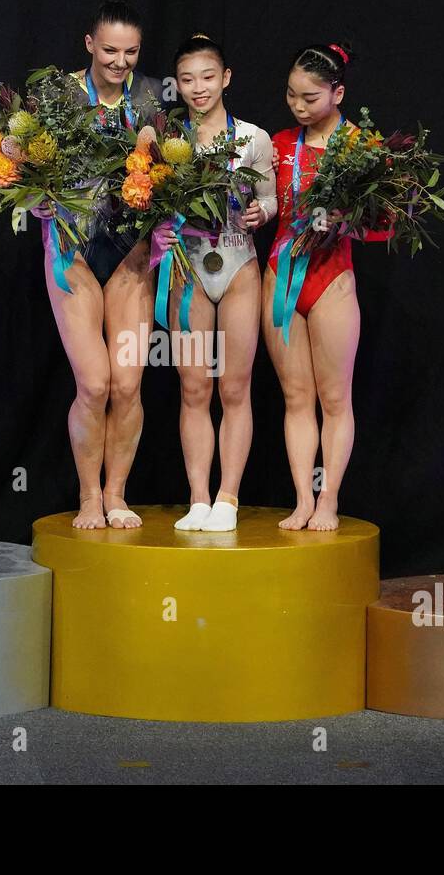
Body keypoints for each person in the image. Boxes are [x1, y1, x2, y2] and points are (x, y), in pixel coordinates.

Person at [33, 0, 164, 529]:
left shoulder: (153, 96)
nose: (120, 62)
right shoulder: (59, 95)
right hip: (74, 250)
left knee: (129, 384)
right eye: (109, 51)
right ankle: (88, 495)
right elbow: (26, 161)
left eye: (130, 52)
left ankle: (116, 493)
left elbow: (169, 173)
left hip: (131, 253)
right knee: (94, 383)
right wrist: (35, 192)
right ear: (89, 43)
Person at [261, 41, 394, 531]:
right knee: (296, 397)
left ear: (338, 93)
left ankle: (329, 499)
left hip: (332, 279)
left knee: (335, 398)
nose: (298, 106)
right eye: (292, 95)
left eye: (310, 98)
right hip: (280, 276)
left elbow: (385, 224)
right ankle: (301, 499)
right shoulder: (278, 145)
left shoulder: (362, 148)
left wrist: (341, 222)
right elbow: (267, 208)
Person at [149, 34, 275, 532]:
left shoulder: (253, 138)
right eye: (186, 79)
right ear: (176, 85)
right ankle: (198, 498)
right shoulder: (165, 138)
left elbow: (271, 199)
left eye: (207, 77)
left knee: (236, 388)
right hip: (188, 267)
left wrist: (259, 211)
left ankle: (229, 498)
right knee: (194, 387)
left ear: (225, 78)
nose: (197, 88)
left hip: (240, 264)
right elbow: (146, 200)